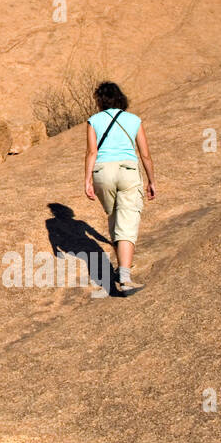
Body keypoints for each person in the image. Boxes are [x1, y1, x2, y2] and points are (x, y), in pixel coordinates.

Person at [83, 81, 155, 291]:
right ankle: (124, 278)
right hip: (127, 172)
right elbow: (145, 154)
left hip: (102, 173)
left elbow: (91, 153)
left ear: (100, 100)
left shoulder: (93, 120)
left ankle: (121, 266)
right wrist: (151, 180)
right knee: (127, 221)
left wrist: (87, 180)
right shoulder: (133, 120)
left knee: (114, 216)